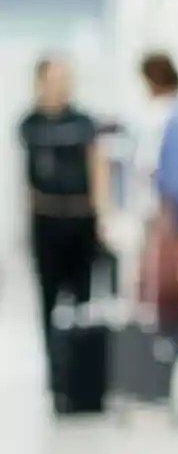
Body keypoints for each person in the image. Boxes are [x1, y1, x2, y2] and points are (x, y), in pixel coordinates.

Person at [18, 55, 110, 390]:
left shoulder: (84, 122)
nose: (62, 84)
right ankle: (55, 371)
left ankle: (82, 370)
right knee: (48, 297)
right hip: (45, 220)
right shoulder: (29, 124)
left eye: (66, 77)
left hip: (80, 219)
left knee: (84, 297)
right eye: (55, 77)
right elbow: (26, 180)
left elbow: (97, 167)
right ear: (40, 80)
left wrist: (102, 217)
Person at [135, 52, 178, 350]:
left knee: (172, 288)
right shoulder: (176, 116)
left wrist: (166, 219)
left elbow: (175, 179)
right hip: (173, 217)